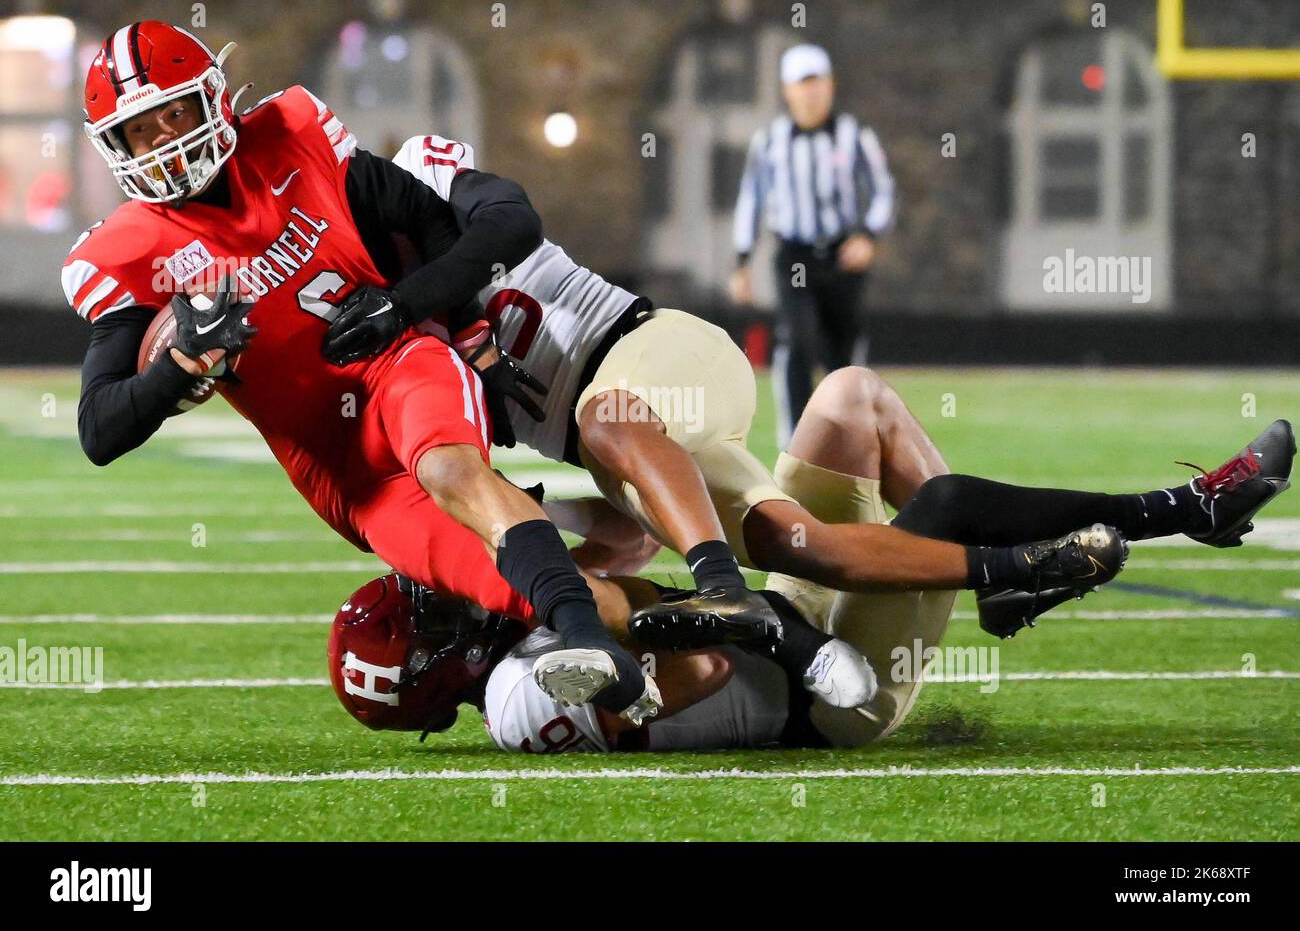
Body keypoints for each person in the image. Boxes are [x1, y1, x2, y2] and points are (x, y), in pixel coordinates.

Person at [64, 21, 660, 724]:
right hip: (345, 474)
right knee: (516, 587)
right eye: (141, 130)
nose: (164, 138)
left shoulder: (292, 132)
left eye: (173, 113)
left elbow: (429, 216)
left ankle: (588, 641)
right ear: (116, 146)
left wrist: (468, 334)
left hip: (397, 366)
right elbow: (100, 430)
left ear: (213, 100)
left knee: (451, 473)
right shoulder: (127, 252)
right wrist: (181, 368)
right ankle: (751, 630)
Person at [328, 367, 1294, 751]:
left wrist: (556, 509)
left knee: (850, 397)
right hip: (830, 697)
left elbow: (624, 540)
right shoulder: (517, 697)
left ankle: (994, 587)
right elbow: (701, 663)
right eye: (433, 615)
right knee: (952, 511)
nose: (444, 590)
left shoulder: (528, 628)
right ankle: (1185, 508)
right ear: (436, 671)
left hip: (780, 621)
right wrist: (751, 623)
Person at [729, 43, 895, 446]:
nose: (811, 91)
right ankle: (797, 442)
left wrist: (868, 236)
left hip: (842, 253)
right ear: (787, 91)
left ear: (831, 84)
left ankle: (848, 440)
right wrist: (743, 260)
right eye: (802, 83)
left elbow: (882, 191)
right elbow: (752, 199)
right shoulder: (769, 142)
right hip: (795, 255)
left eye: (817, 81)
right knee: (798, 339)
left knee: (843, 352)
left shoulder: (855, 135)